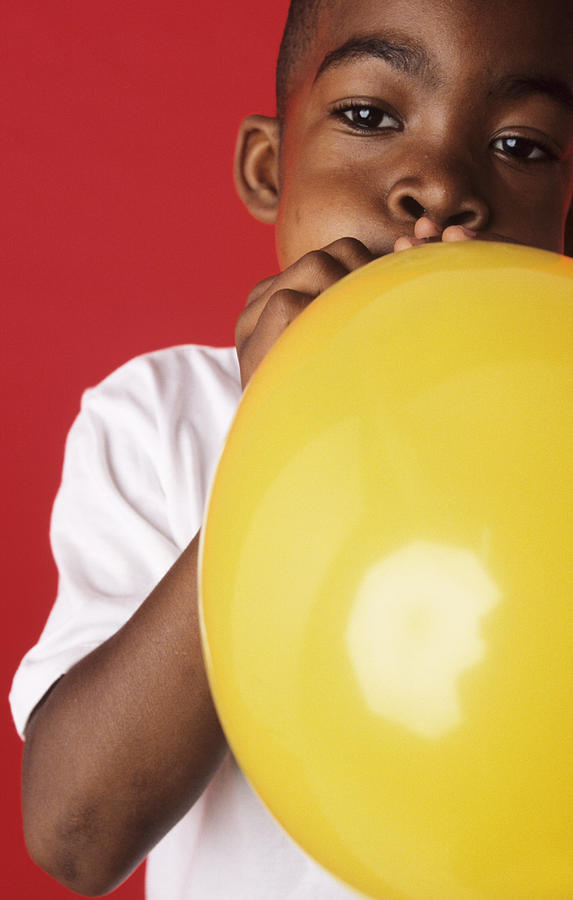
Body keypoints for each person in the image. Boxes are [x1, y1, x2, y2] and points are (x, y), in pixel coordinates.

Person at [10, 0, 573, 897]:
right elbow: (76, 834)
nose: (439, 183)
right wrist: (273, 428)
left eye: (522, 146)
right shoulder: (165, 421)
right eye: (368, 116)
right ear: (270, 168)